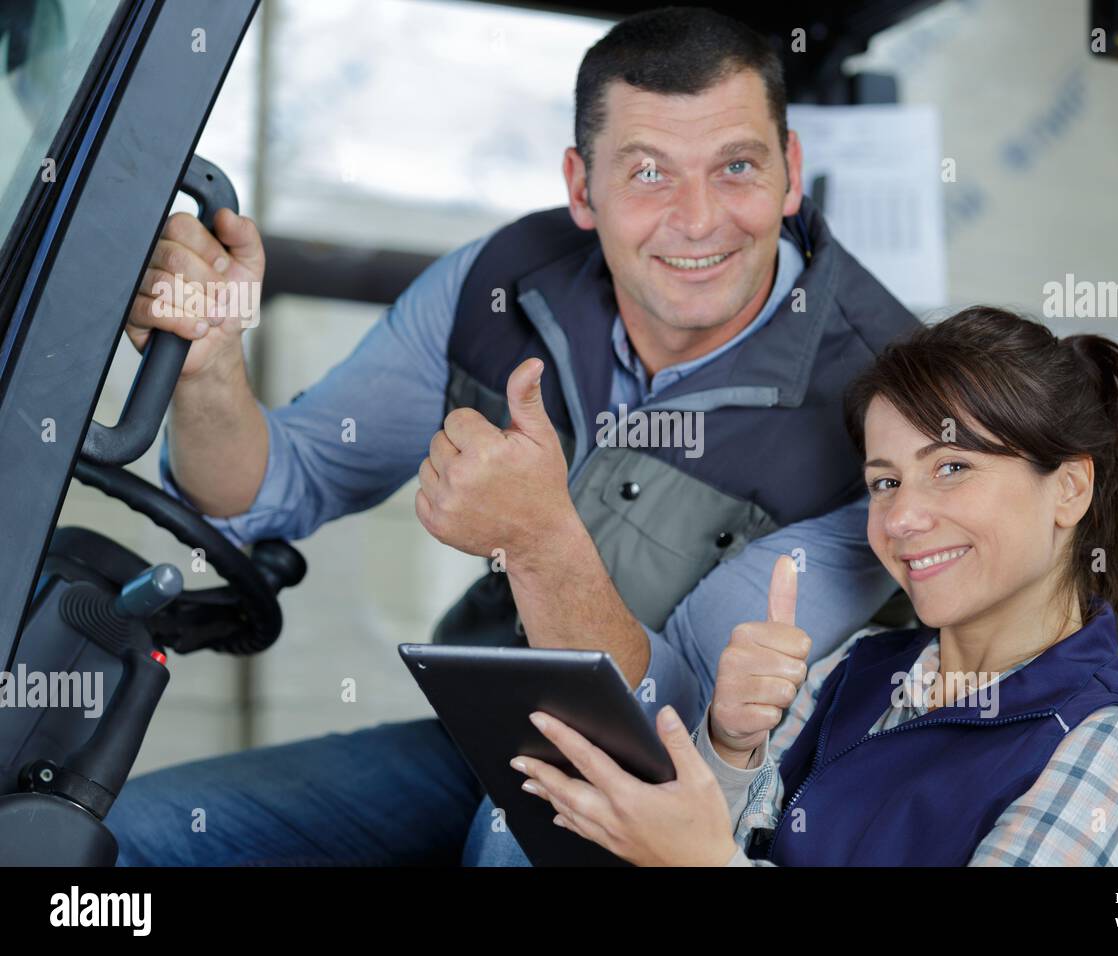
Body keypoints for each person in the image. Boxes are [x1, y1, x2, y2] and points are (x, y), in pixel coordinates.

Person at [104, 7, 920, 865]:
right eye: (648, 173)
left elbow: (666, 733)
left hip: (704, 808)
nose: (699, 219)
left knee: (511, 842)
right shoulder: (499, 283)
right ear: (580, 186)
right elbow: (271, 490)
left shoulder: (880, 405)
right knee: (123, 842)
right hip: (496, 743)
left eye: (737, 168)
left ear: (791, 174)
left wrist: (539, 542)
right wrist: (209, 368)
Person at [510, 306, 1118, 866]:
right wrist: (730, 745)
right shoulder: (855, 670)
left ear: (1069, 488)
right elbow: (724, 839)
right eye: (885, 481)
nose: (902, 517)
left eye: (953, 468)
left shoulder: (1112, 748)